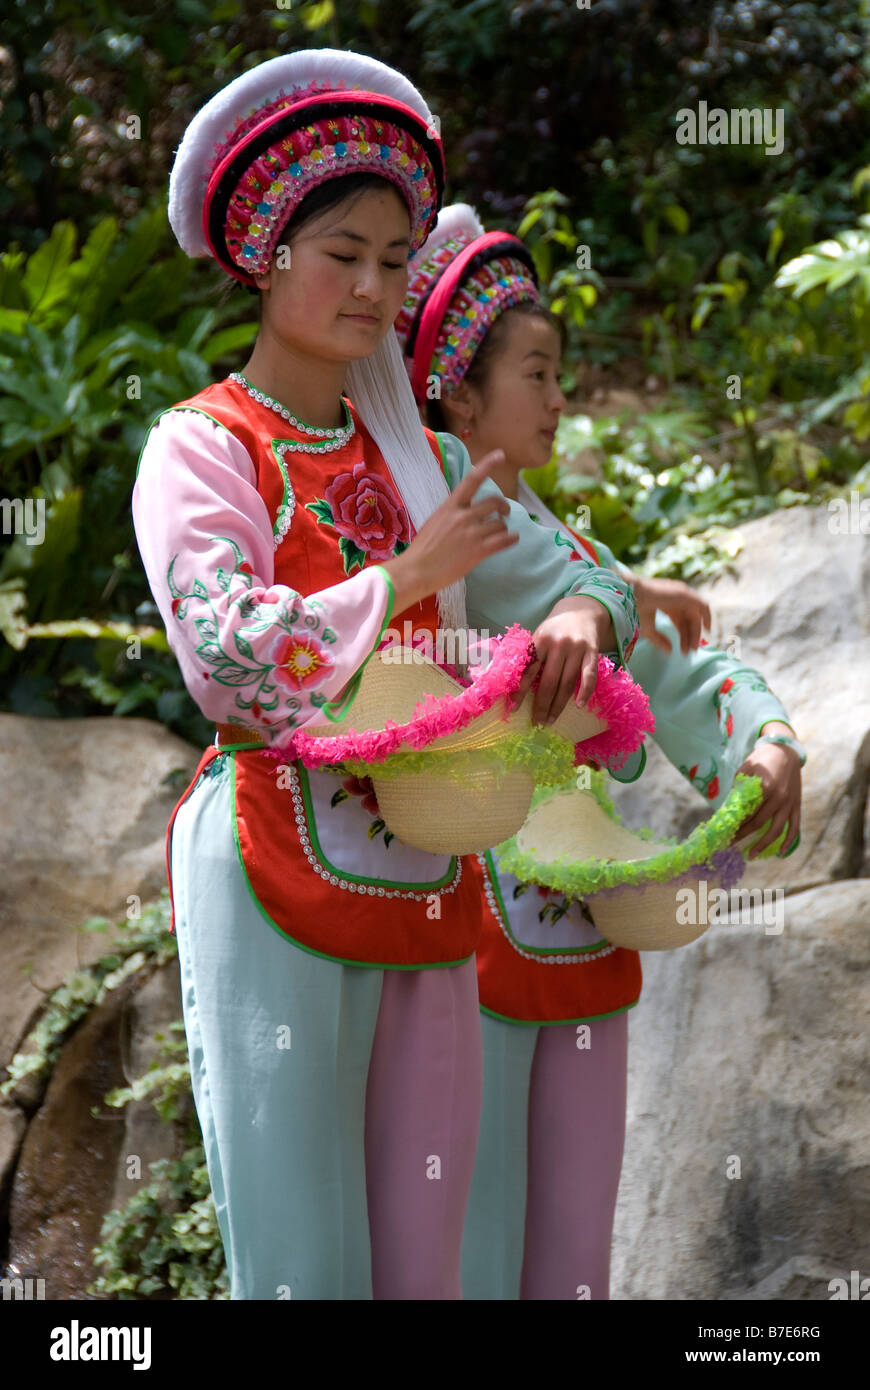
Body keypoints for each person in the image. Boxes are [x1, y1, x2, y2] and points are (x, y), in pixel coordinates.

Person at [131, 56, 641, 1300]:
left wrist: (570, 620)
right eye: (341, 252)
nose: (372, 286)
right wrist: (409, 577)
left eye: (396, 260)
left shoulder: (419, 457)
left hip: (432, 856)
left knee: (429, 1258)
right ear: (263, 254)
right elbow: (234, 659)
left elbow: (577, 595)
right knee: (303, 1252)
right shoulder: (203, 446)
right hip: (269, 848)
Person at [396, 203, 805, 1300]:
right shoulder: (431, 484)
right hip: (472, 912)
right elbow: (622, 613)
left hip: (577, 914)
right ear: (460, 395)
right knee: (476, 1245)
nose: (563, 397)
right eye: (539, 371)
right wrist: (623, 600)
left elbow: (666, 656)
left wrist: (764, 736)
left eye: (561, 372)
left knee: (574, 1252)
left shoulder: (562, 542)